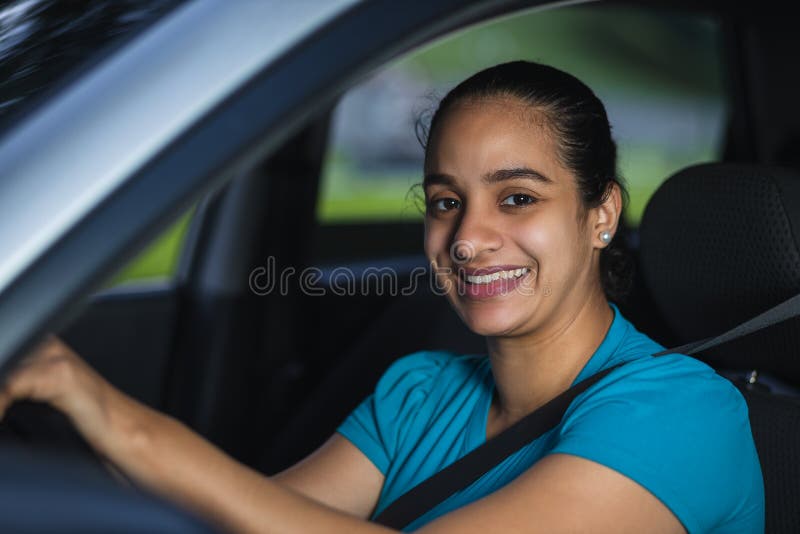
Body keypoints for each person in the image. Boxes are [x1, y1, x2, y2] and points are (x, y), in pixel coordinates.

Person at [0, 61, 764, 533]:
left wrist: (102, 408)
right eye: (444, 202)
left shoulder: (686, 416)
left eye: (518, 198)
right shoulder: (418, 389)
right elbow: (247, 518)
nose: (467, 238)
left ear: (601, 214)